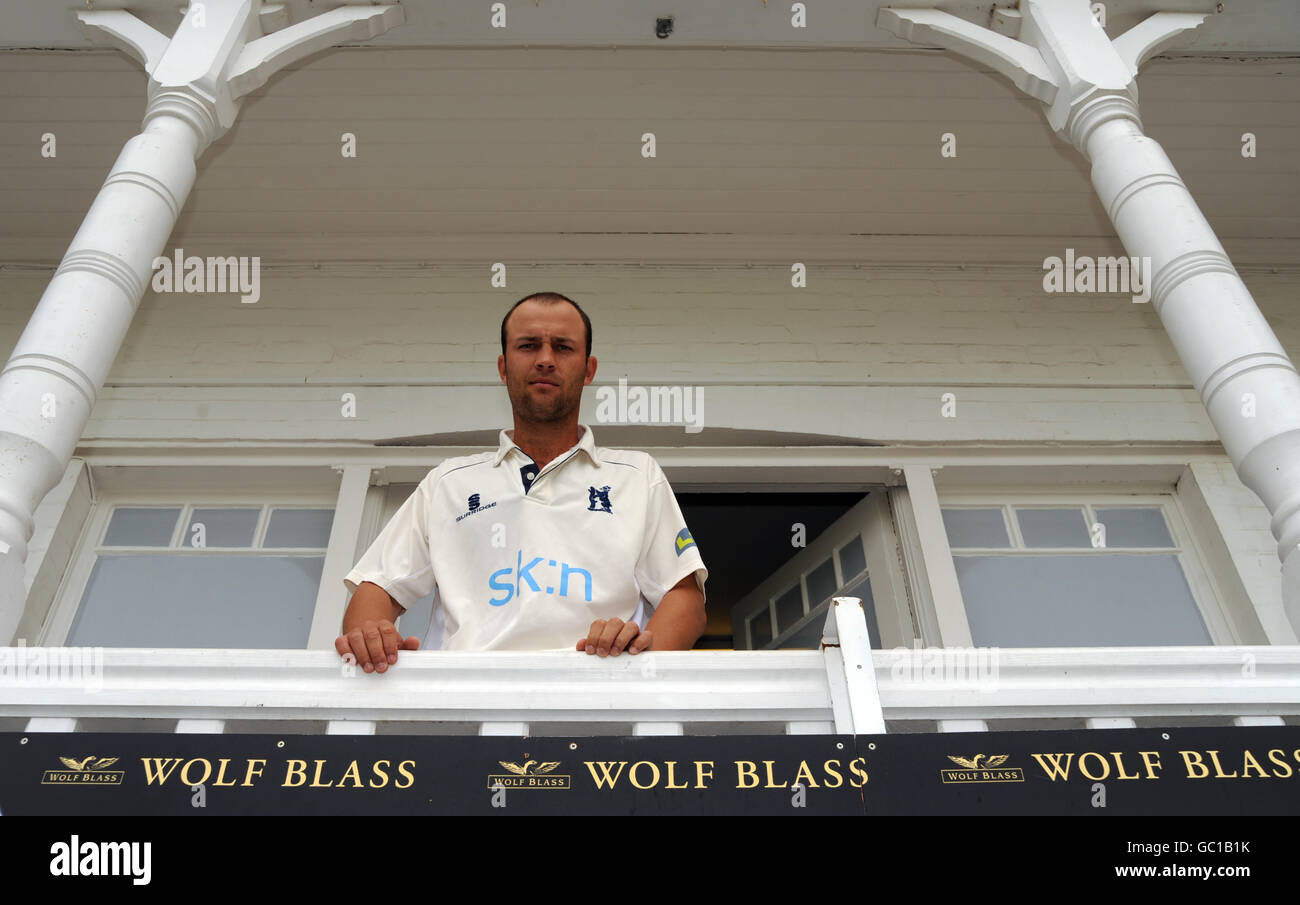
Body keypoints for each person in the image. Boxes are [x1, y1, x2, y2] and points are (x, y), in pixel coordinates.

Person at [336, 291, 708, 673]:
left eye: (563, 347)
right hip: (464, 706)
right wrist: (372, 636)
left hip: (599, 702)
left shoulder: (636, 476)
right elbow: (376, 589)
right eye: (529, 346)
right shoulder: (447, 483)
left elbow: (685, 600)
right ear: (503, 366)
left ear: (589, 369)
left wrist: (640, 661)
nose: (545, 359)